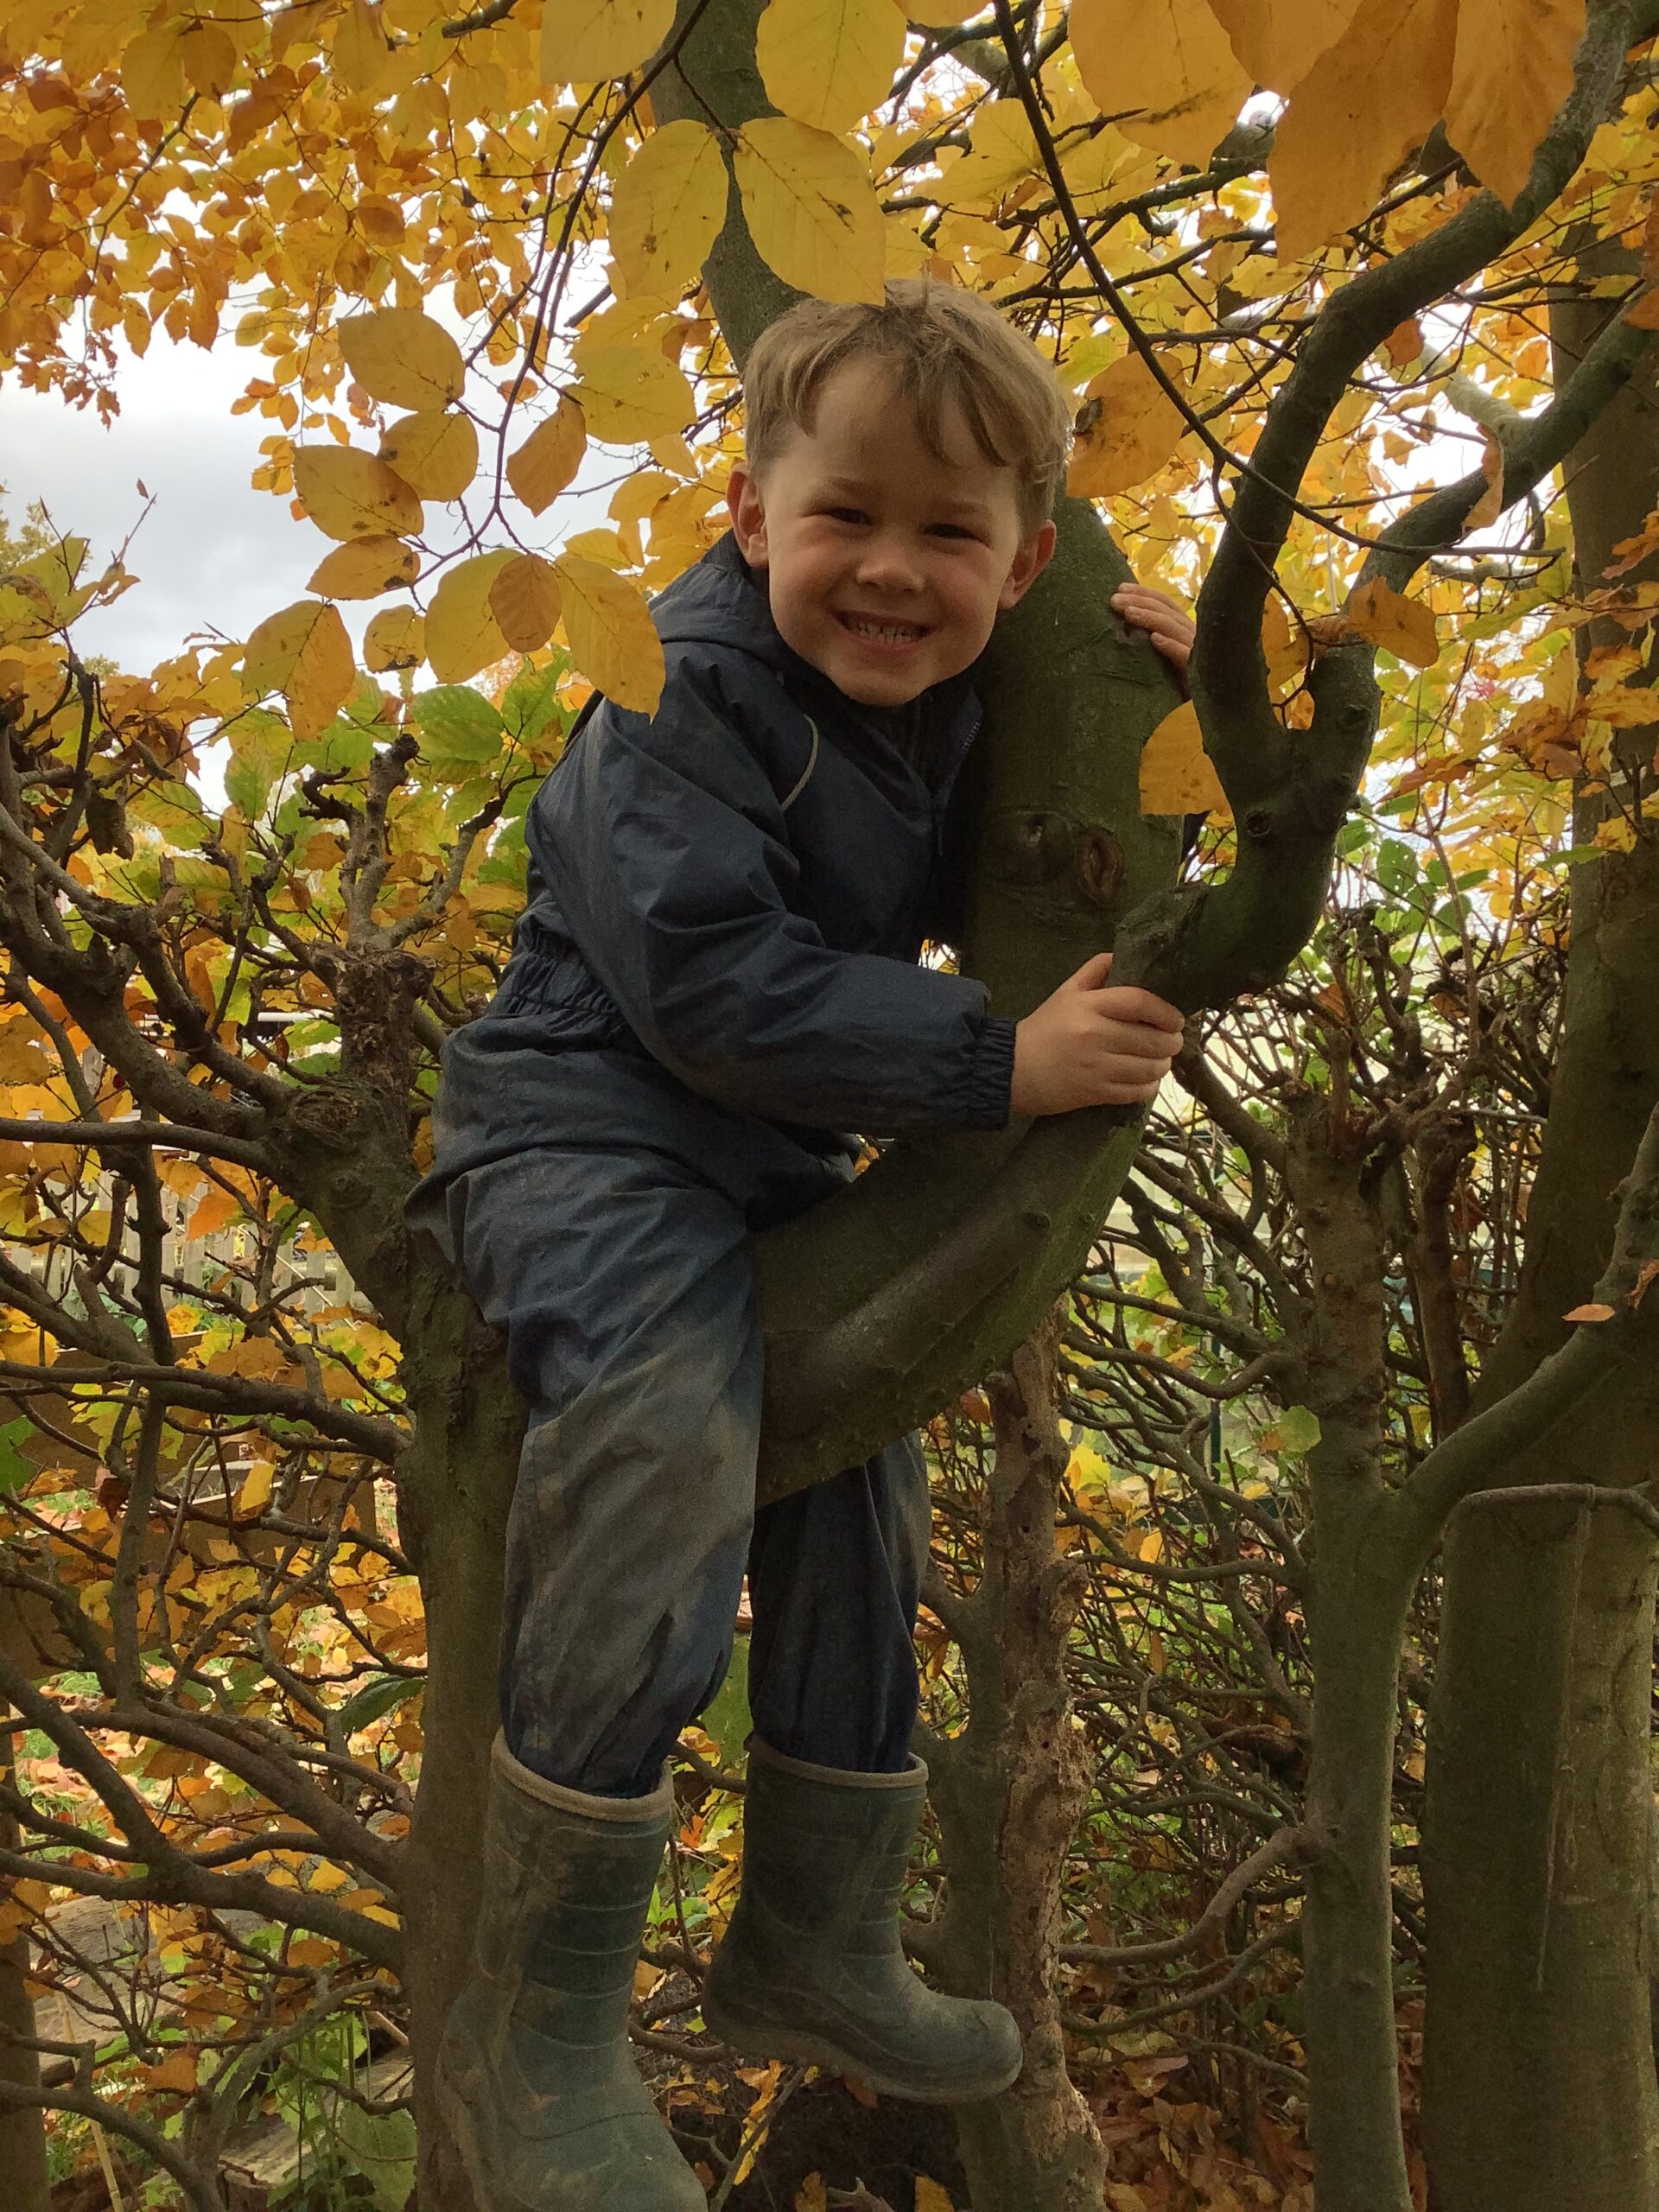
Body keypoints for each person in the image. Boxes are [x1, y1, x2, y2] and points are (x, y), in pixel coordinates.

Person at [407, 279, 1194, 2211]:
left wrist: (1193, 695)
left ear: (1018, 565)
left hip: (756, 1152)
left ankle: (816, 1934)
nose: (893, 572)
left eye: (953, 533)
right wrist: (991, 1058)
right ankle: (541, 2022)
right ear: (752, 515)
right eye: (846, 515)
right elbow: (706, 985)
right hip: (588, 1128)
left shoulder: (954, 692)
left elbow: (1067, 816)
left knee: (855, 1477)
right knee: (667, 1434)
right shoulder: (678, 694)